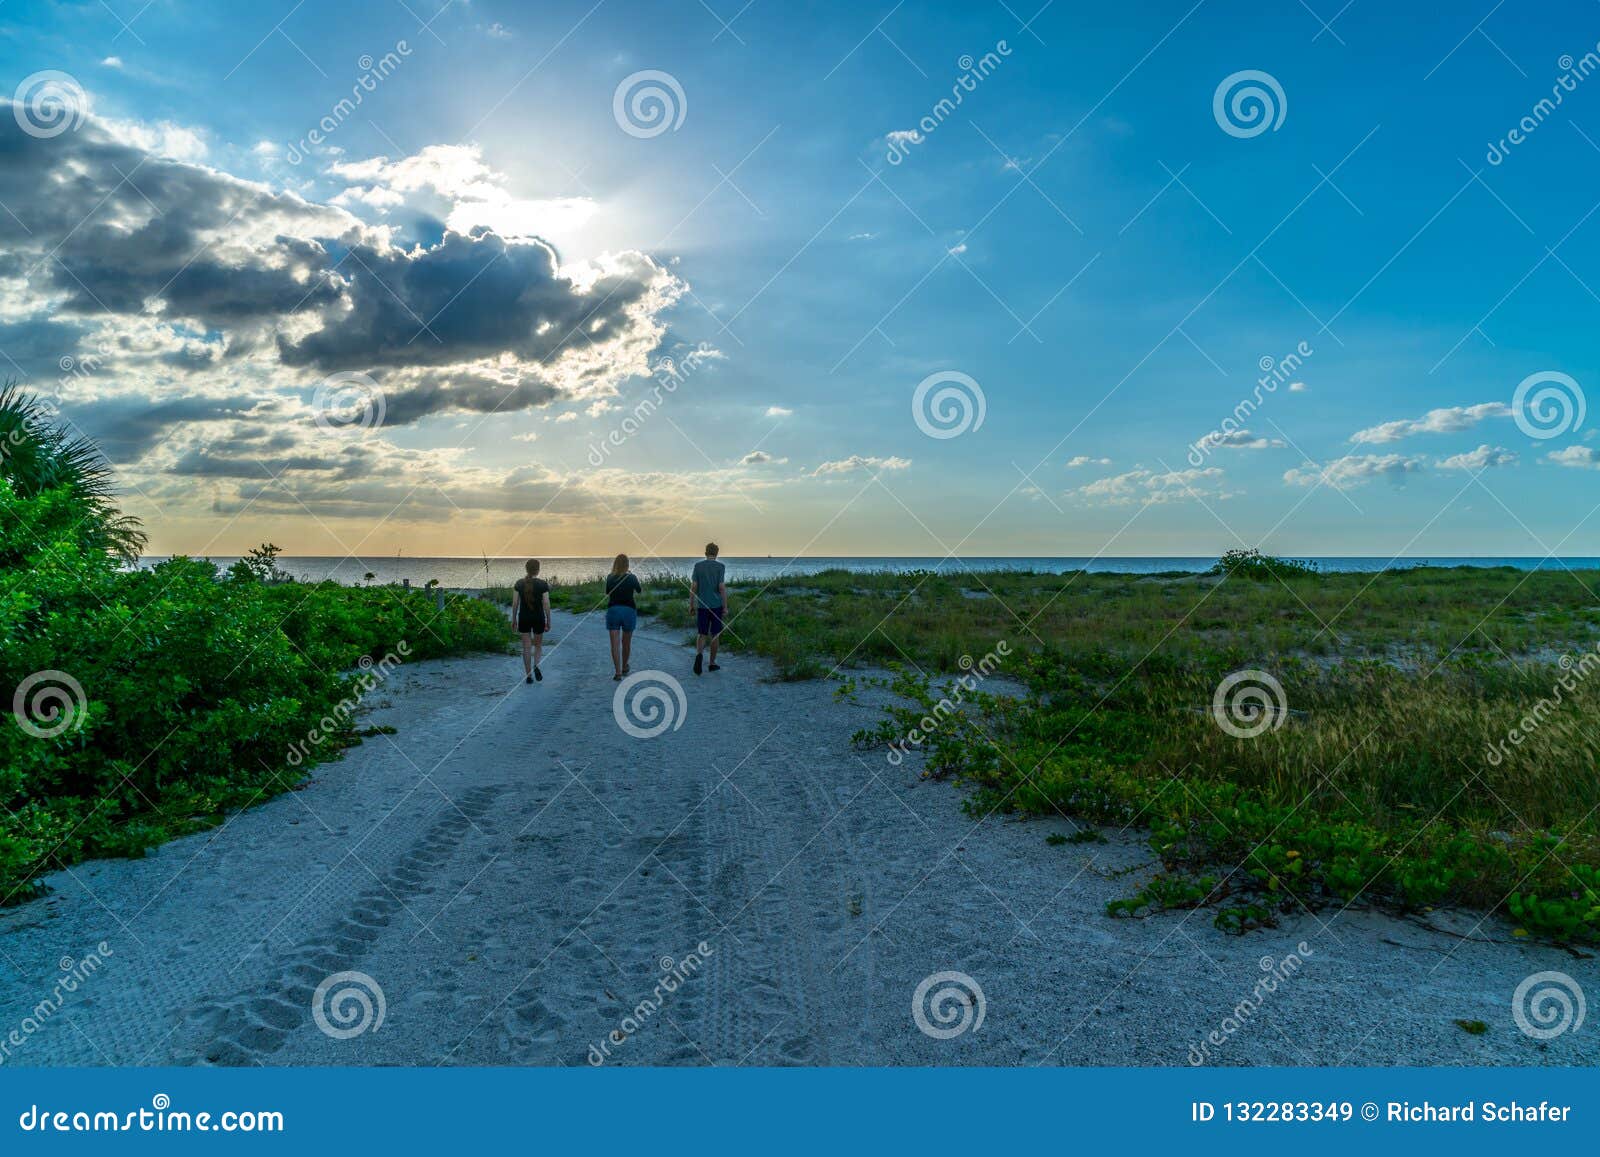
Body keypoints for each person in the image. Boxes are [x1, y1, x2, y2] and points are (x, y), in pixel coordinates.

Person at [689, 542, 727, 675]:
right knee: (715, 635)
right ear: (717, 553)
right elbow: (721, 587)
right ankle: (712, 663)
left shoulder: (698, 566)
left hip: (702, 605)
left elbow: (694, 587)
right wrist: (725, 606)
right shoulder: (720, 567)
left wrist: (691, 604)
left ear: (705, 553)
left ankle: (699, 655)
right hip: (716, 605)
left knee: (702, 634)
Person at [511, 559, 551, 683]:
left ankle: (528, 676)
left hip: (524, 618)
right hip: (538, 618)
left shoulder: (519, 583)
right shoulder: (543, 584)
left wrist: (513, 619)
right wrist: (548, 619)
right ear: (538, 570)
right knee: (538, 646)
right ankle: (536, 665)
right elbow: (546, 603)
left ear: (526, 569)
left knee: (526, 648)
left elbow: (515, 603)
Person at [604, 553, 643, 681]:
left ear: (615, 564)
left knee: (614, 644)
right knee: (626, 642)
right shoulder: (631, 577)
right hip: (629, 610)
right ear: (627, 565)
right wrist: (630, 575)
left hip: (613, 610)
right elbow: (639, 590)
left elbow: (608, 592)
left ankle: (618, 672)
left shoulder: (610, 577)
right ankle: (625, 666)